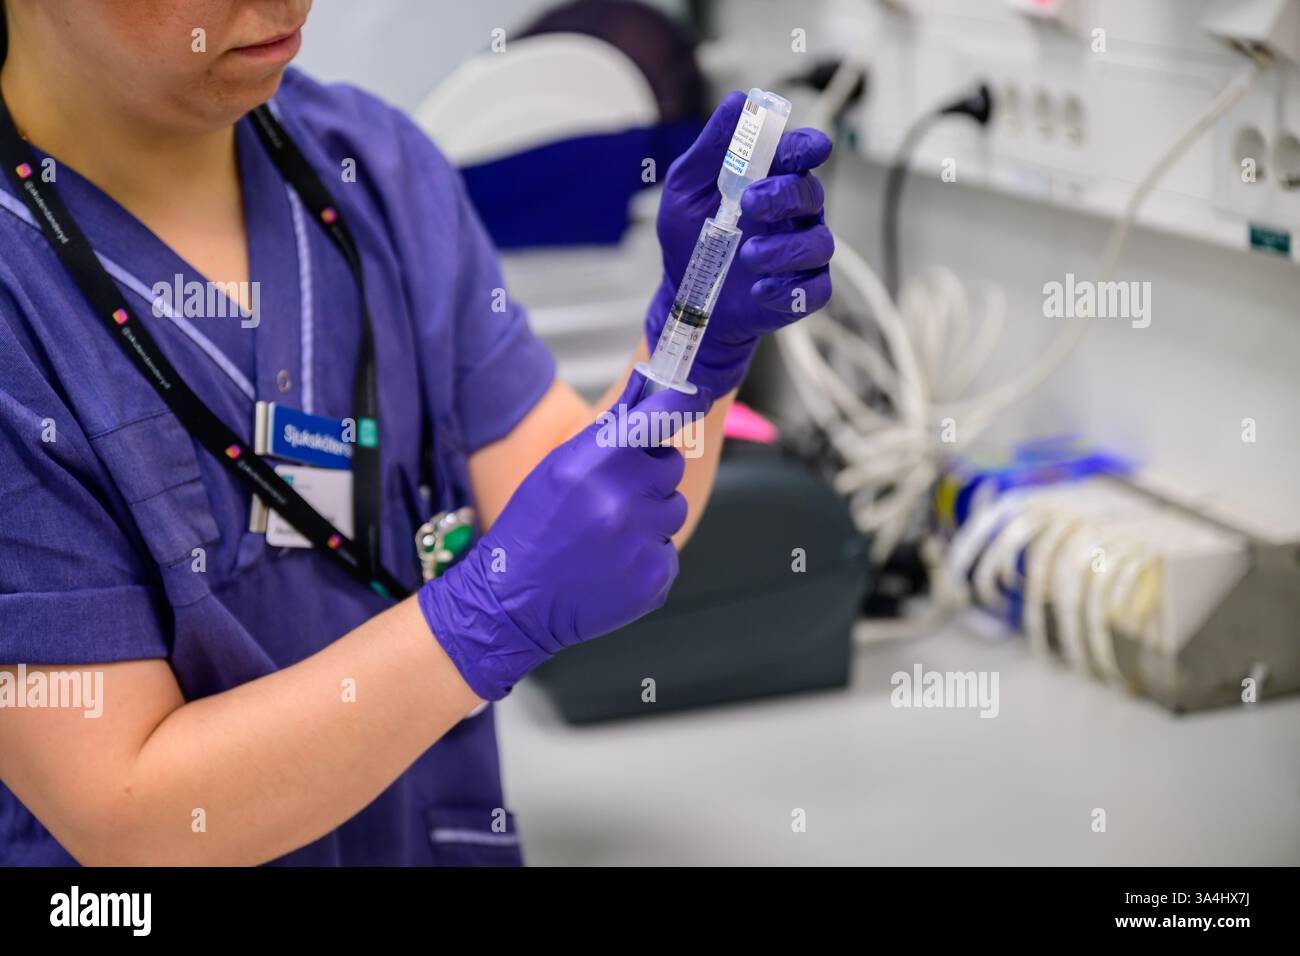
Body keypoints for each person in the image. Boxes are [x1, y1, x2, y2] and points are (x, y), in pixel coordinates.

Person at [0, 0, 834, 865]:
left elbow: (579, 520)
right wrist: (480, 622)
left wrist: (689, 354)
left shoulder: (370, 165)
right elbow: (127, 814)